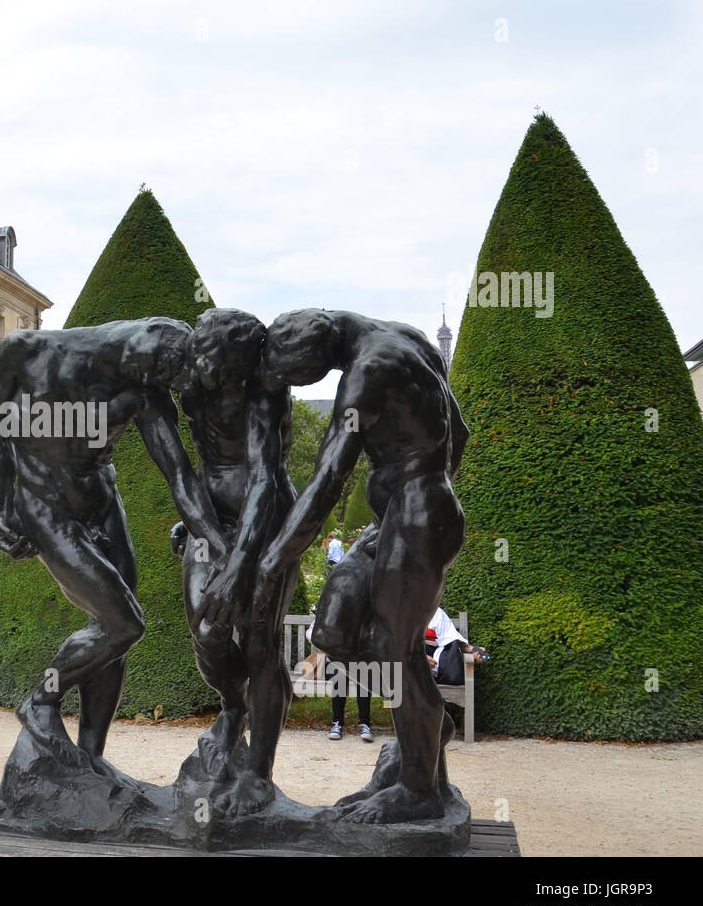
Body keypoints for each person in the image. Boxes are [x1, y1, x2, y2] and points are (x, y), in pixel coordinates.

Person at [0, 318, 227, 787]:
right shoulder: (25, 353)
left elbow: (179, 476)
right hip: (46, 507)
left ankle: (90, 758)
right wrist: (1, 508)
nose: (153, 389)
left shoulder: (144, 388)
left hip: (103, 504)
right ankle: (41, 701)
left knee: (112, 636)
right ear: (133, 352)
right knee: (123, 624)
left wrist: (218, 545)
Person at [248, 309, 469, 824]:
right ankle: (427, 726)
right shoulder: (407, 338)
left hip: (419, 518)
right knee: (331, 630)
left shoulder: (367, 371)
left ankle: (419, 788)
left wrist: (273, 560)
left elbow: (328, 480)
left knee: (395, 652)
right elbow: (459, 430)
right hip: (397, 518)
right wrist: (400, 499)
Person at [168, 308, 298, 815]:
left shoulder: (265, 391)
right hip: (213, 519)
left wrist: (245, 561)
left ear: (241, 364)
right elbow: (196, 461)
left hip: (266, 525)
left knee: (262, 644)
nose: (199, 367)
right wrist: (195, 516)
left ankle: (259, 776)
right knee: (206, 628)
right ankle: (232, 706)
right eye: (198, 354)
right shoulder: (194, 387)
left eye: (212, 360)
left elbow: (265, 475)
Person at [425, 607, 489, 685]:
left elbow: (450, 637)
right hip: (409, 660)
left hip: (430, 656)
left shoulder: (434, 611)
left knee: (451, 660)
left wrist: (471, 649)